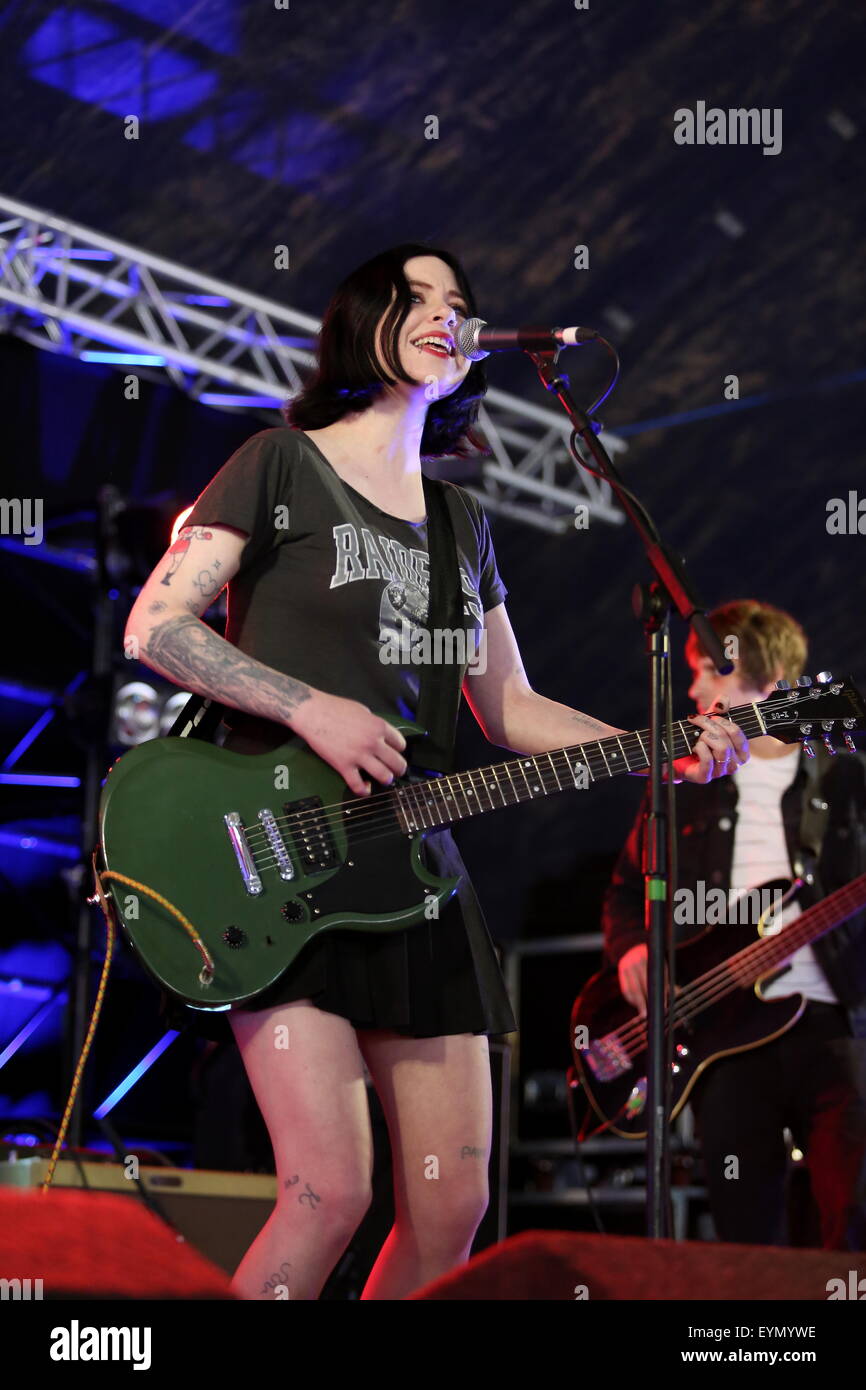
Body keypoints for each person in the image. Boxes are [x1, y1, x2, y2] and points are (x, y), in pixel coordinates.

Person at [124, 243, 749, 1300]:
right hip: (282, 856)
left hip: (412, 869)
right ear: (365, 322)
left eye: (457, 302)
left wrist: (655, 743)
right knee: (330, 1189)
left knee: (452, 1205)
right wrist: (305, 705)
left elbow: (507, 708)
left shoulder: (462, 526)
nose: (442, 313)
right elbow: (155, 624)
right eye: (415, 297)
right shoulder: (279, 464)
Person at [602, 599, 866, 1249]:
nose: (691, 688)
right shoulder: (682, 785)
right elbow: (623, 893)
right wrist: (634, 949)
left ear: (760, 674)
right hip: (722, 1034)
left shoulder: (844, 776)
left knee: (852, 1215)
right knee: (745, 1228)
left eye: (707, 672)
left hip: (834, 1023)